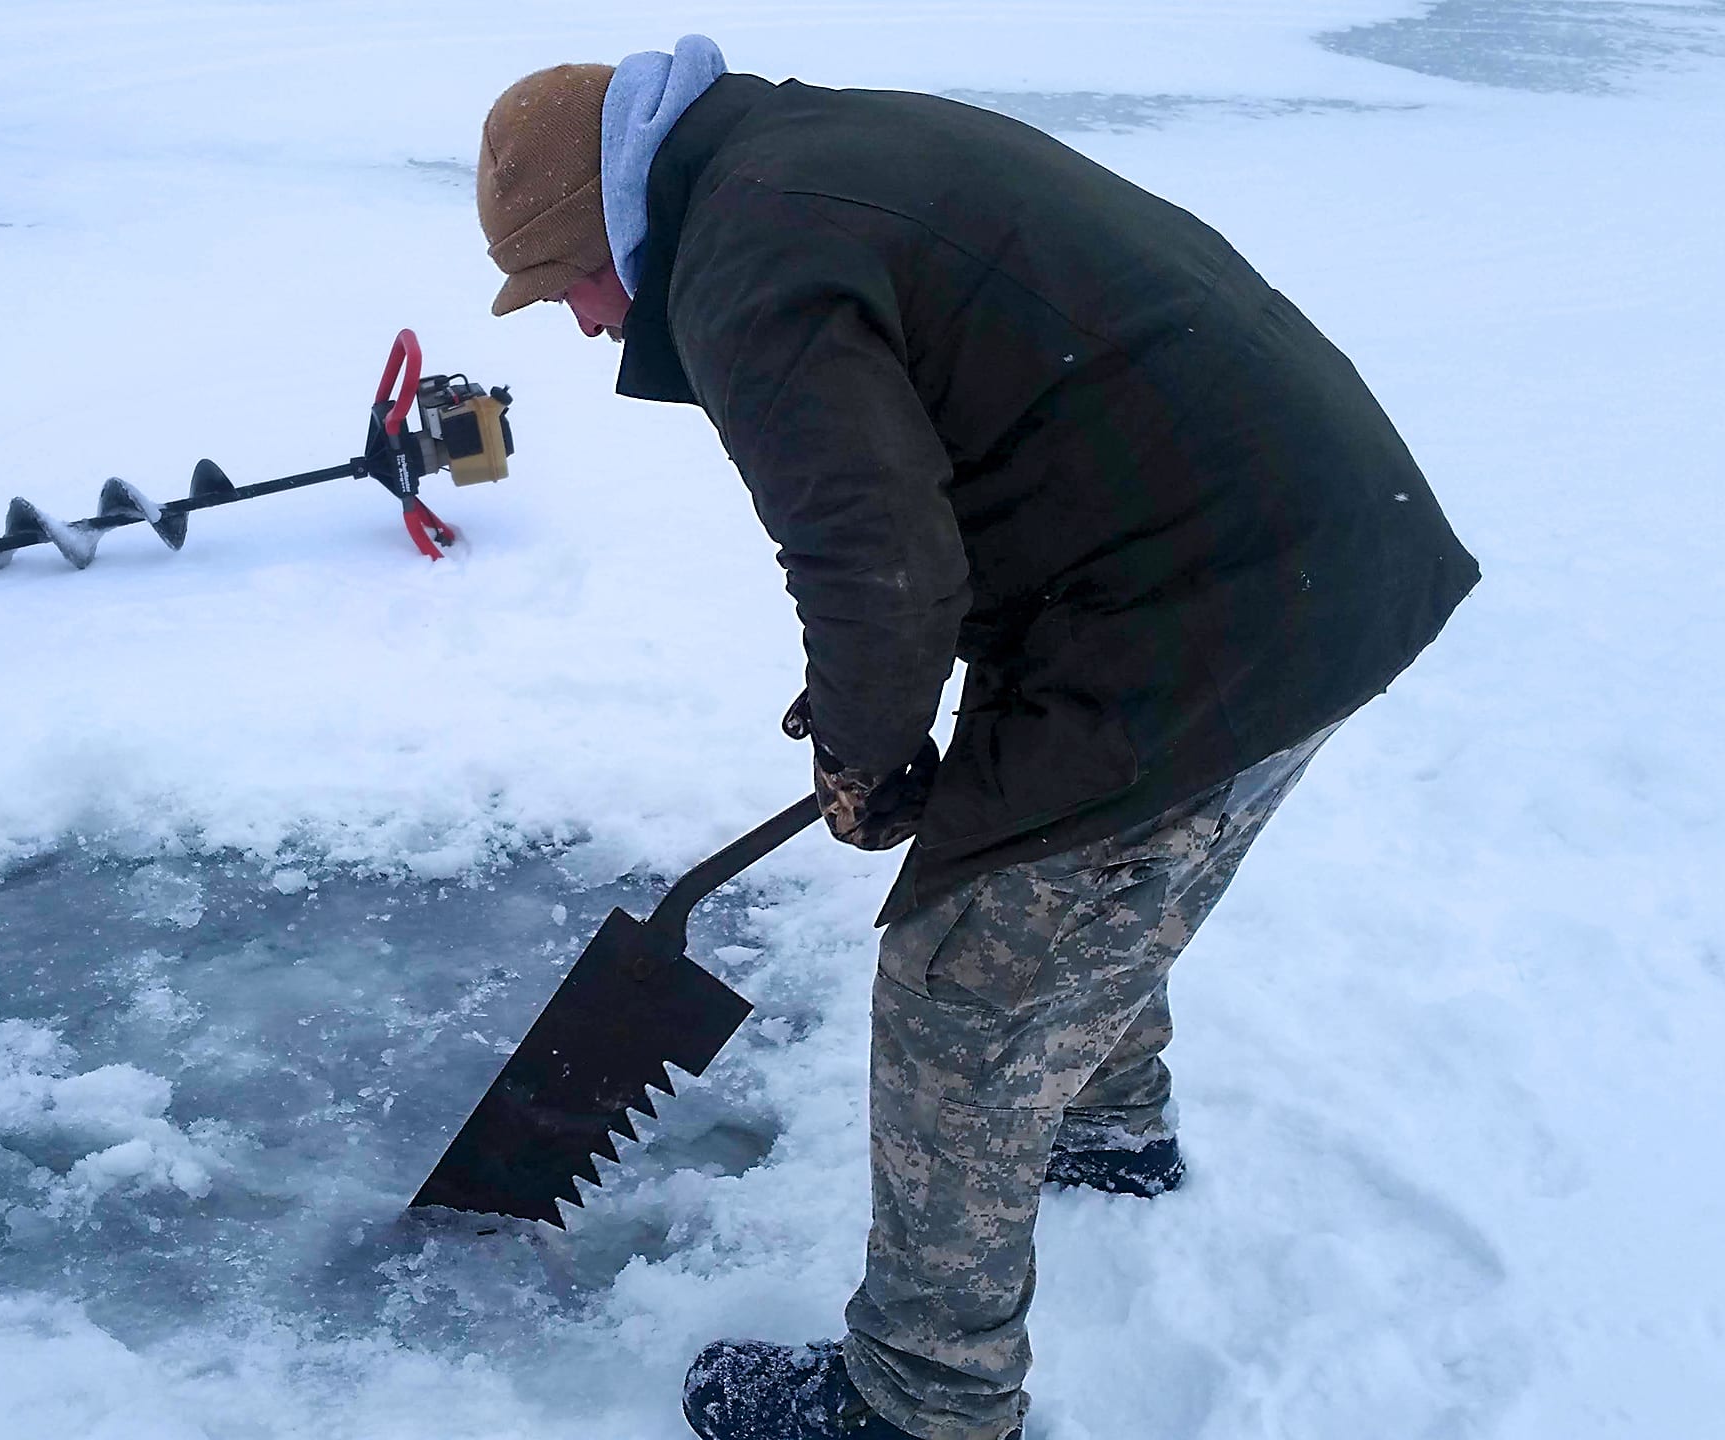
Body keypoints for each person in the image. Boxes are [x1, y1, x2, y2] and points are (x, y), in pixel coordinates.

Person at [475, 38, 1478, 1440]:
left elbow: (873, 555)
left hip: (1202, 600)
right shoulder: (805, 160)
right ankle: (1112, 1122)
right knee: (1094, 871)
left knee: (962, 987)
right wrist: (867, 719)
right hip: (1309, 554)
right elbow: (931, 487)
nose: (582, 326)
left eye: (567, 286)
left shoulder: (746, 267)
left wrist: (872, 756)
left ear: (608, 225)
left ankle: (922, 1402)